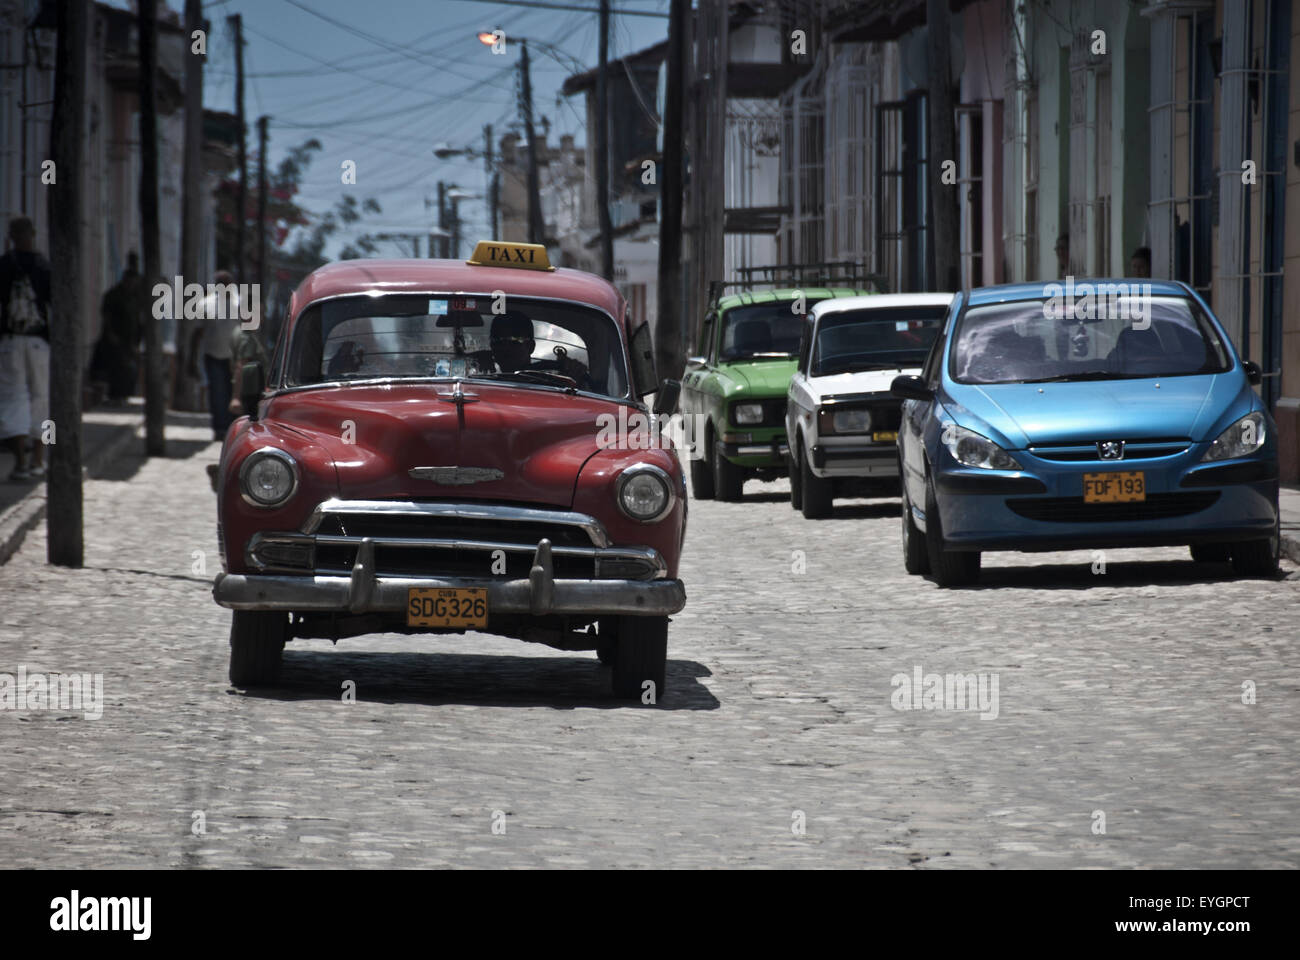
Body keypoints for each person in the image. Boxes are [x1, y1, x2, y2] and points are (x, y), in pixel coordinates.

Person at [0, 217, 51, 483]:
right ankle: (38, 460)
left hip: (10, 341)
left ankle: (21, 462)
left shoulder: (4, 265)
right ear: (33, 233)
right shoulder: (44, 267)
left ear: (10, 236)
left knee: (13, 398)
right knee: (41, 398)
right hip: (38, 342)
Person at [189, 270, 241, 441]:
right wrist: (192, 357)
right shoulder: (206, 304)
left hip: (235, 357)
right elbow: (197, 332)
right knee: (218, 392)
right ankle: (220, 429)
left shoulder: (239, 303)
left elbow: (250, 330)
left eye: (227, 283)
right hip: (213, 356)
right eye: (221, 283)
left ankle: (233, 428)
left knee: (234, 393)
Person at [93, 252, 144, 405]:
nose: (132, 284)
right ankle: (115, 396)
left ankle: (123, 395)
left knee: (127, 368)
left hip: (130, 339)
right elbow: (107, 316)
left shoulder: (136, 297)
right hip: (115, 338)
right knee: (116, 368)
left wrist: (138, 340)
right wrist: (110, 334)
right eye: (130, 281)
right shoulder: (114, 295)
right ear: (125, 279)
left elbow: (139, 319)